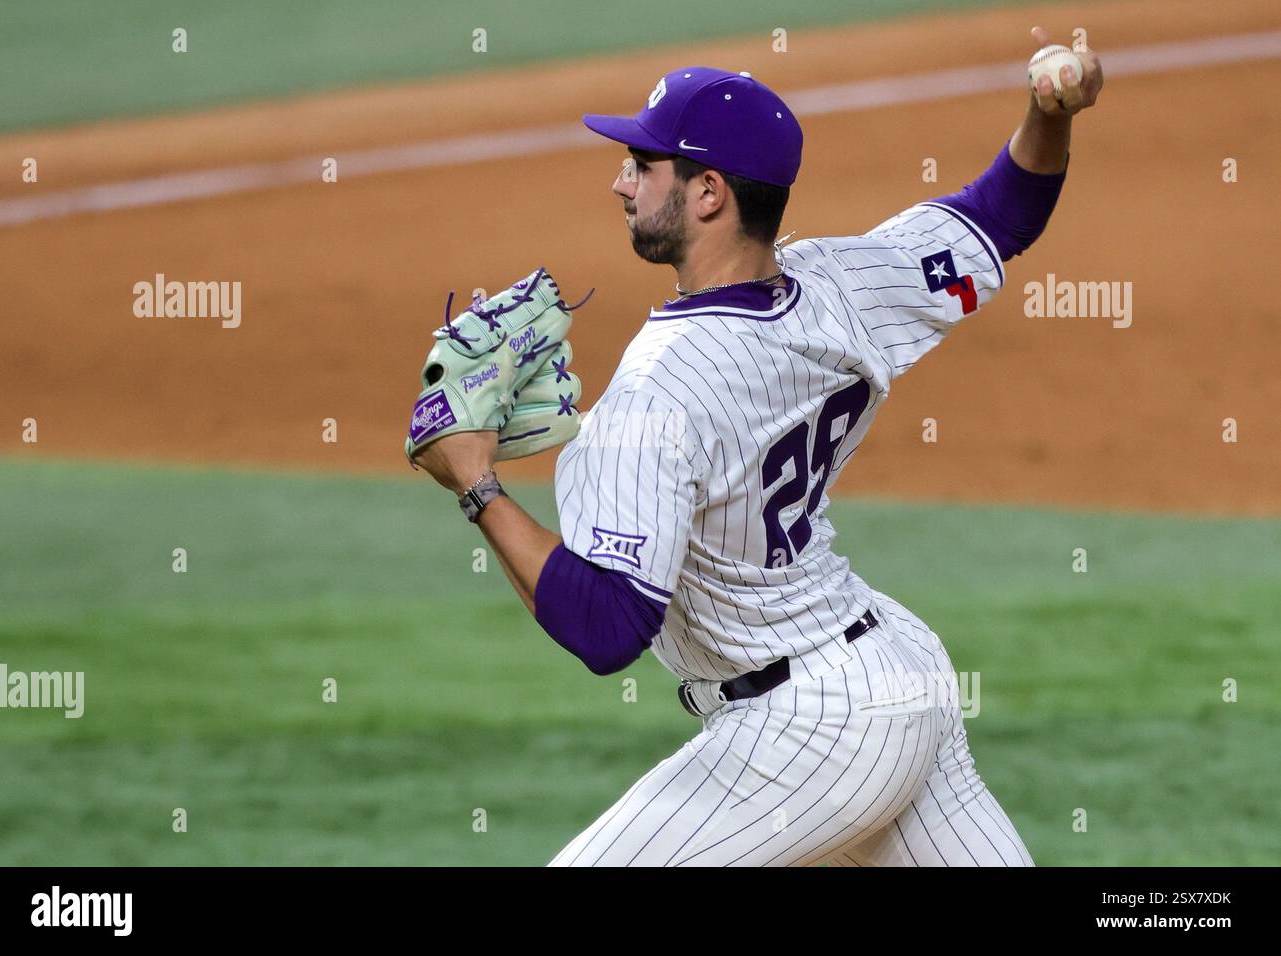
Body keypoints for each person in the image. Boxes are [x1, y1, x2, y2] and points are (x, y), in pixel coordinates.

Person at [412, 28, 1104, 866]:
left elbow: (606, 628)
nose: (620, 180)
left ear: (708, 193)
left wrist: (476, 484)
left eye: (643, 163)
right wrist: (1047, 112)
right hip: (898, 672)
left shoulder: (657, 389)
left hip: (810, 734)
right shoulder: (845, 283)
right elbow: (1003, 214)